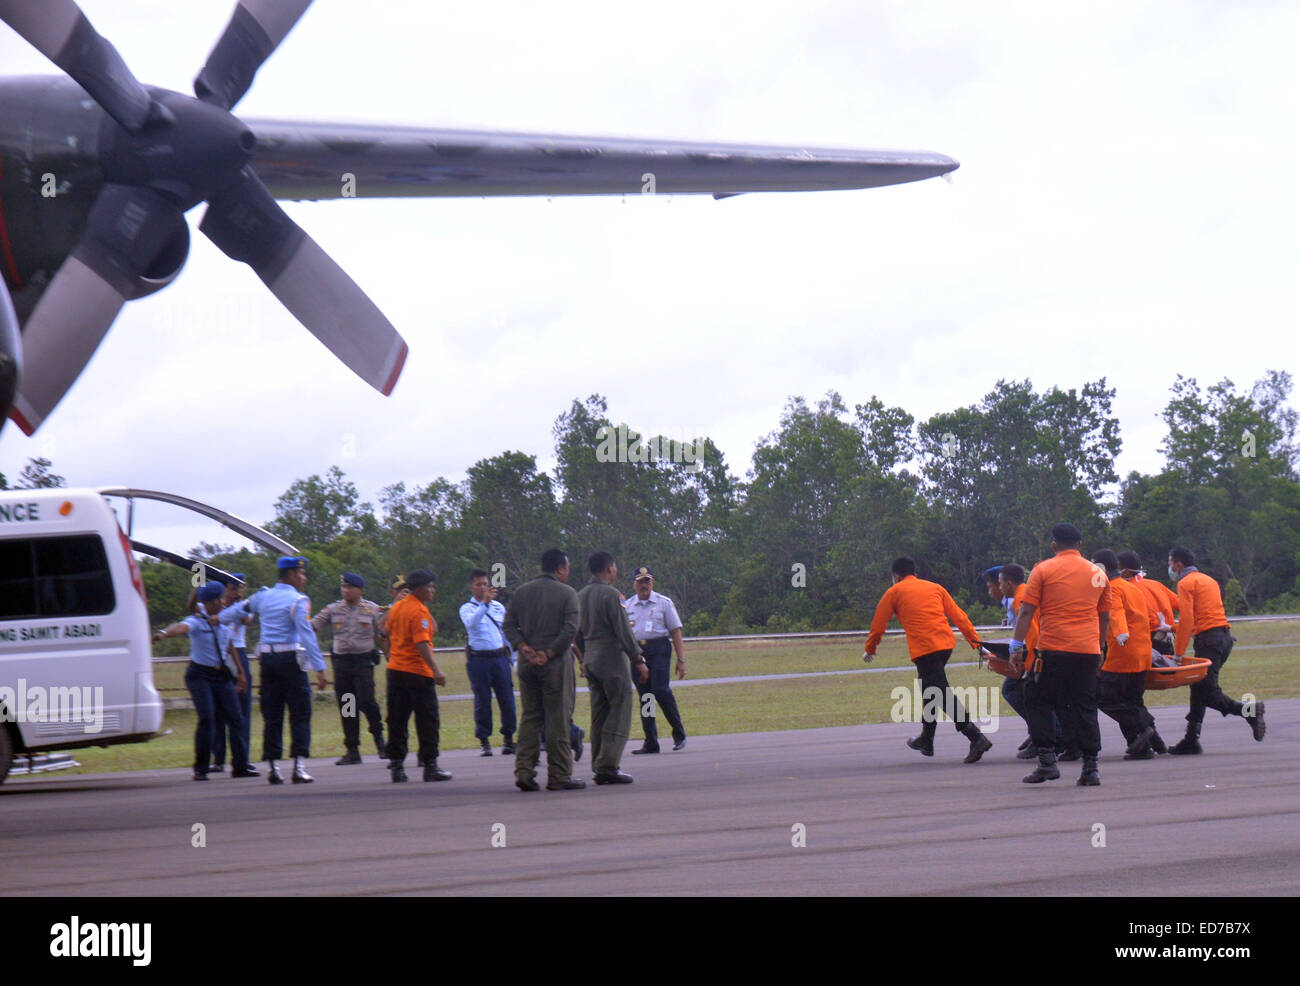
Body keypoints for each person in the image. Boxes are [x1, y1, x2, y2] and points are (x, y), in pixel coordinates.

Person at [864, 557, 992, 763]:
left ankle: (975, 737)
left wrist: (870, 649)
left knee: (939, 692)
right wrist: (976, 643)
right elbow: (959, 616)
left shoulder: (893, 592)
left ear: (895, 576)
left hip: (925, 649)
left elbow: (878, 626)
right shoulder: (935, 588)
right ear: (913, 572)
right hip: (945, 645)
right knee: (930, 690)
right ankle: (927, 739)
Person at [1009, 524, 1109, 786]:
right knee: (1085, 706)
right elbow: (1105, 615)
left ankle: (1046, 762)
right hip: (1087, 651)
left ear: (1055, 545)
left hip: (1053, 648)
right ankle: (1091, 768)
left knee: (1037, 699)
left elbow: (1027, 612)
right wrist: (1099, 648)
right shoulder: (1098, 573)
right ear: (1080, 544)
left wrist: (1016, 647)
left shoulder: (1043, 569)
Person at [1167, 547, 1265, 753]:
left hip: (1209, 641)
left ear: (1178, 564)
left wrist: (1178, 653)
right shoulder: (1207, 580)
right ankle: (1191, 739)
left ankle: (1250, 711)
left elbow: (1187, 619)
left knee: (1208, 692)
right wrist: (1171, 628)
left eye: (1170, 563)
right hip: (1223, 638)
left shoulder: (1185, 583)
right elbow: (1202, 615)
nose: (1169, 567)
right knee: (1199, 686)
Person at [155, 581, 255, 780]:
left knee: (236, 718)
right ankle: (201, 768)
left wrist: (241, 673)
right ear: (207, 603)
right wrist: (164, 633)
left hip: (221, 675)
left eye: (220, 599)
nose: (220, 603)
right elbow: (181, 627)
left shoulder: (223, 618)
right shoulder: (197, 620)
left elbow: (229, 646)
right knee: (207, 718)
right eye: (215, 600)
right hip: (199, 675)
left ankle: (240, 766)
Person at [245, 556, 329, 785]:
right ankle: (298, 767)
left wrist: (218, 617)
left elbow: (241, 610)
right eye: (301, 574)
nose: (304, 578)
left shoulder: (263, 595)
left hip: (268, 660)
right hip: (291, 660)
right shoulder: (299, 600)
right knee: (300, 713)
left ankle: (273, 767)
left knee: (272, 715)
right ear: (291, 575)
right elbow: (306, 633)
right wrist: (319, 667)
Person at [502, 549, 581, 792]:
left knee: (531, 717)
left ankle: (524, 770)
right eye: (566, 568)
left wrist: (524, 648)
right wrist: (548, 653)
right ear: (559, 569)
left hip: (526, 664)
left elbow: (507, 625)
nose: (568, 572)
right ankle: (559, 775)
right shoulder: (567, 594)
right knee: (557, 718)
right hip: (555, 664)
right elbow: (570, 629)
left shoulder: (521, 592)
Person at [577, 552, 649, 785]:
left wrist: (583, 656)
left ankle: (598, 761)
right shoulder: (612, 595)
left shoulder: (581, 595)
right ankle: (608, 766)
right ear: (609, 568)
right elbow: (623, 630)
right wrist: (637, 659)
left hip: (590, 656)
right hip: (610, 657)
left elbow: (575, 631)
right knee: (620, 709)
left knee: (599, 713)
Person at [1092, 549, 1164, 759]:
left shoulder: (1112, 589)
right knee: (1132, 701)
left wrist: (1121, 633)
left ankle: (1142, 728)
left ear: (1102, 568)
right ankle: (1145, 746)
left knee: (1104, 699)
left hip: (1122, 655)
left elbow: (1115, 615)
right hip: (1142, 654)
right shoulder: (1131, 587)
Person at [312, 572, 388, 764]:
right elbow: (312, 626)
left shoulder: (372, 609)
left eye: (350, 587)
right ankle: (352, 749)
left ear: (360, 590)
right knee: (348, 705)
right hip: (342, 664)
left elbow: (384, 632)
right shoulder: (333, 609)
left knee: (367, 701)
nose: (346, 591)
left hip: (363, 662)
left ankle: (380, 740)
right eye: (343, 587)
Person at [384, 569, 452, 783]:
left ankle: (397, 767)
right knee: (427, 720)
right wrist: (436, 670)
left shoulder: (396, 608)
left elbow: (386, 632)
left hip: (395, 670)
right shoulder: (418, 611)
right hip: (417, 672)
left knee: (397, 719)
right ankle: (430, 765)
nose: (433, 590)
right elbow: (422, 643)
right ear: (420, 588)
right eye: (430, 586)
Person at [623, 566, 688, 754]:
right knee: (646, 696)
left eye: (647, 581)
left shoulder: (663, 603)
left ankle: (679, 732)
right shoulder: (627, 606)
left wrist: (681, 660)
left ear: (652, 583)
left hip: (659, 649)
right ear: (634, 584)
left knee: (661, 690)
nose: (644, 585)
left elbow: (675, 631)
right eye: (640, 581)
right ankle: (651, 741)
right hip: (637, 652)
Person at [460, 569, 518, 756]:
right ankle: (484, 741)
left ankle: (508, 739)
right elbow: (472, 624)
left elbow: (506, 634)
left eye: (485, 584)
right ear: (471, 587)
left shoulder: (498, 607)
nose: (483, 587)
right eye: (478, 584)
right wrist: (483, 604)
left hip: (499, 657)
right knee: (482, 700)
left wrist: (514, 659)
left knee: (507, 698)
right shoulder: (467, 608)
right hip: (479, 659)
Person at [996, 563, 1048, 760]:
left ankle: (1041, 736)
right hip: (1040, 650)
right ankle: (1038, 734)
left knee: (1018, 693)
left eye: (1001, 583)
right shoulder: (1027, 592)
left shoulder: (1019, 599)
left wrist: (1020, 653)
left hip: (1036, 654)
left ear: (1009, 583)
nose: (999, 588)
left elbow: (1032, 630)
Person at [210, 575, 253, 773]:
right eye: (233, 588)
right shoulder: (215, 607)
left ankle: (242, 757)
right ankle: (218, 758)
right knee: (218, 711)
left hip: (239, 651)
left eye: (239, 588)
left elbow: (245, 619)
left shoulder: (242, 606)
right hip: (220, 655)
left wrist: (237, 602)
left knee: (242, 710)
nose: (237, 592)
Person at [1118, 551, 1179, 655]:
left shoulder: (1126, 589)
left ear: (1126, 571)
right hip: (1167, 639)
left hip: (1146, 640)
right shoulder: (1156, 585)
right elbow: (1181, 604)